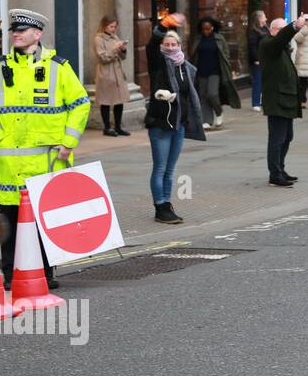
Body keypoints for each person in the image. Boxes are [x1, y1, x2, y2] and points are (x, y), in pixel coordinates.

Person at [0, 9, 90, 289]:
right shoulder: (0, 68)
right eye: (13, 30)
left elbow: (80, 104)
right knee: (8, 223)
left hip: (46, 162)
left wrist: (69, 142)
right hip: (9, 165)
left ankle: (45, 273)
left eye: (22, 30)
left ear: (38, 34)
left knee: (43, 222)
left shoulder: (58, 67)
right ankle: (10, 274)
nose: (16, 34)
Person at [145, 14, 205, 223]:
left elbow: (189, 96)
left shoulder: (186, 67)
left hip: (178, 124)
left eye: (173, 44)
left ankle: (167, 203)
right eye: (166, 44)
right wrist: (163, 25)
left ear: (180, 45)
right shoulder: (158, 63)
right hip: (160, 123)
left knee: (170, 170)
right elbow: (152, 44)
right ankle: (159, 206)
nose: (170, 47)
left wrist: (189, 119)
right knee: (160, 168)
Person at [259, 14, 308, 185]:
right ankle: (275, 174)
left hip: (286, 99)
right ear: (273, 30)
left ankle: (280, 169)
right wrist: (293, 27)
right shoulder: (269, 44)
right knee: (277, 138)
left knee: (287, 137)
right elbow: (280, 40)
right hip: (277, 100)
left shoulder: (280, 47)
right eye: (281, 29)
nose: (284, 33)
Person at [189, 17, 240, 128]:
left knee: (212, 94)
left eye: (208, 29)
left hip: (215, 70)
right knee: (203, 96)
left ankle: (219, 112)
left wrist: (226, 68)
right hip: (201, 70)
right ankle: (207, 120)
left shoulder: (219, 38)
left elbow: (226, 54)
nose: (206, 31)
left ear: (212, 28)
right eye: (203, 29)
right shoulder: (198, 39)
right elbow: (193, 55)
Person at [93, 16, 131, 137]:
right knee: (106, 101)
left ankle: (118, 126)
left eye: (115, 26)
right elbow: (102, 58)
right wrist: (115, 49)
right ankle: (107, 127)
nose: (114, 29)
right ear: (104, 26)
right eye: (111, 26)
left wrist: (123, 50)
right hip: (106, 73)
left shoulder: (115, 37)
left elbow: (123, 57)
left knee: (119, 100)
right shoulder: (98, 39)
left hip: (118, 72)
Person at [247, 10, 267, 111]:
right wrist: (256, 59)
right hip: (258, 60)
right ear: (259, 19)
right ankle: (256, 103)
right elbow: (252, 47)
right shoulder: (253, 31)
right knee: (258, 81)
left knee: (265, 81)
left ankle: (264, 101)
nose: (266, 19)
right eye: (264, 17)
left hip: (266, 59)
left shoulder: (265, 29)